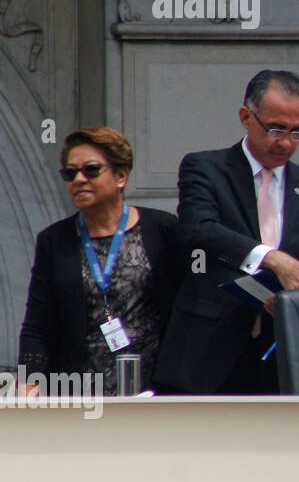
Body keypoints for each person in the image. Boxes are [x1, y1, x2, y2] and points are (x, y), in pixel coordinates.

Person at [154, 70, 299, 394]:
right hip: (207, 353)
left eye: (297, 132)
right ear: (246, 117)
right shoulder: (205, 169)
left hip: (280, 358)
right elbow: (198, 231)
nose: (285, 143)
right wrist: (273, 260)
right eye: (276, 129)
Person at [19, 127, 184, 395]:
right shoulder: (54, 240)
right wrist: (30, 377)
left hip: (154, 393)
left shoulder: (162, 230)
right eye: (70, 173)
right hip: (80, 395)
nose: (79, 179)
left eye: (91, 170)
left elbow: (185, 309)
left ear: (121, 175)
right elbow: (39, 324)